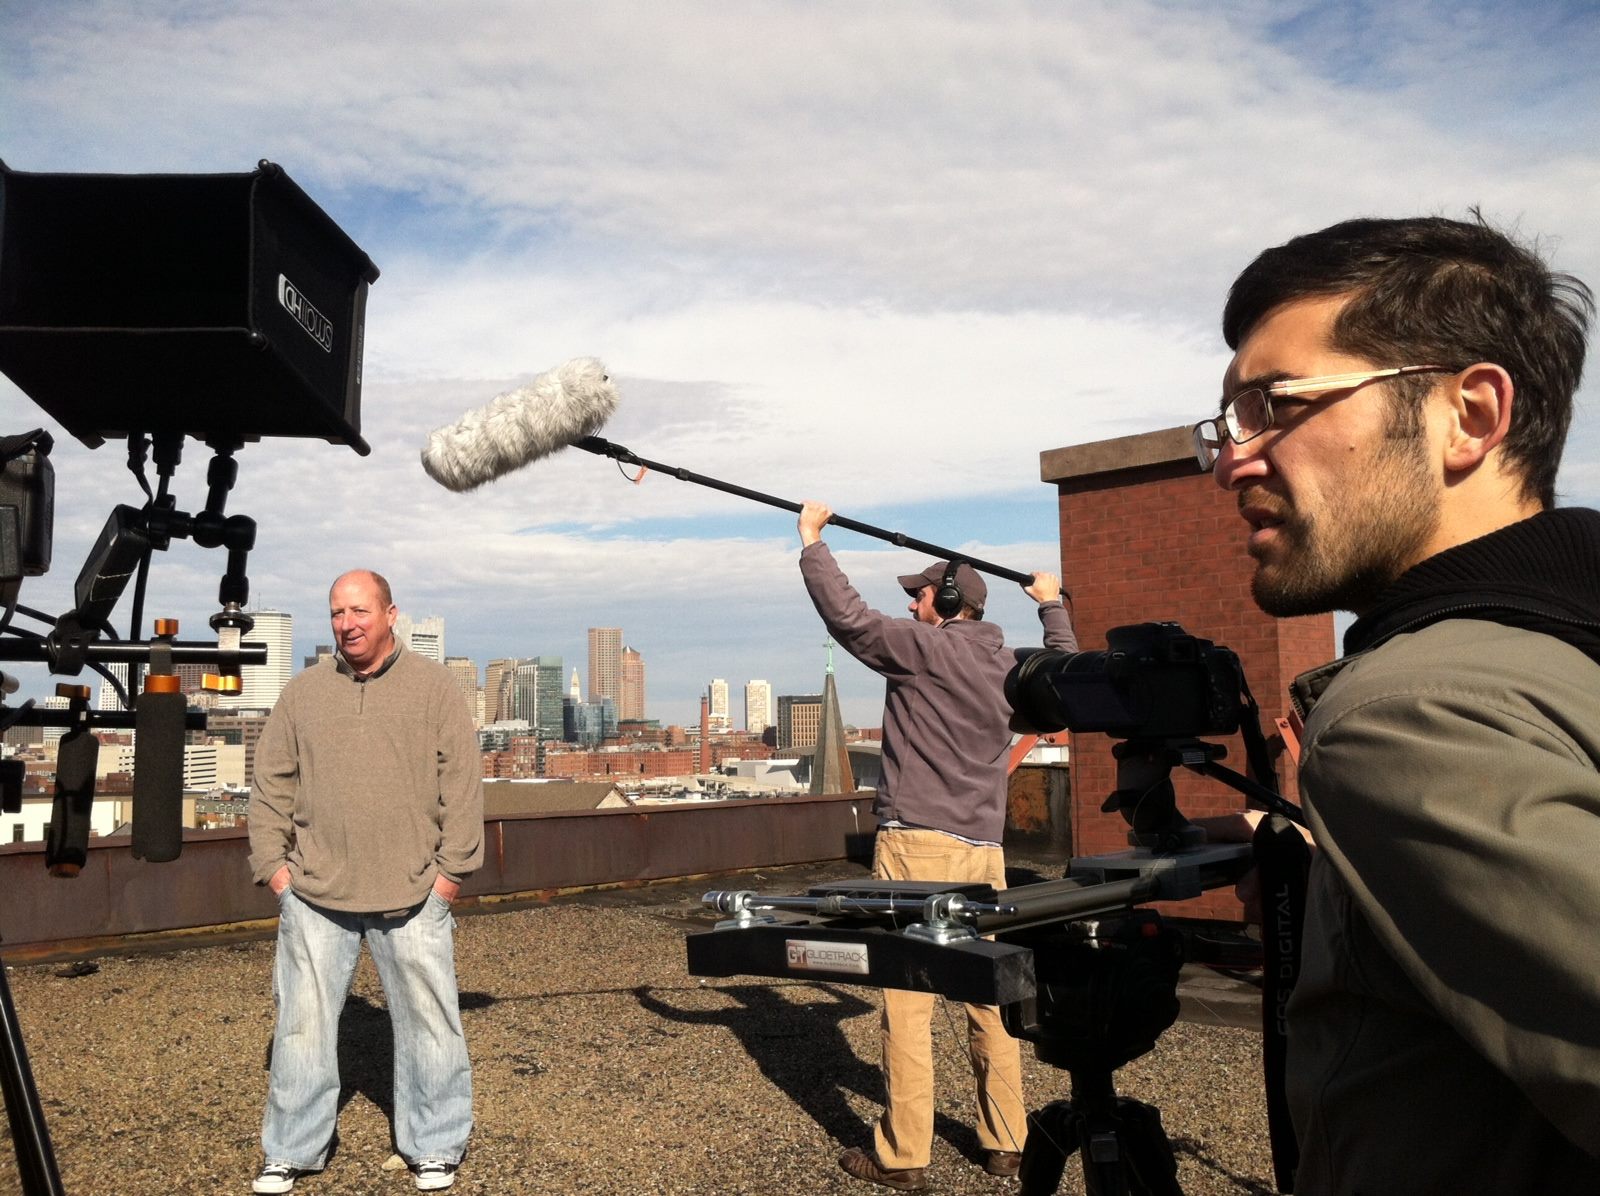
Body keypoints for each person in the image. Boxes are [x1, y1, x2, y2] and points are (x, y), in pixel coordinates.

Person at [1193, 215, 1600, 1192]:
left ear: (1470, 414)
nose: (1232, 461)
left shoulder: (1406, 711)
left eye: (1271, 406)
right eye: (1227, 424)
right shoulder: (1567, 645)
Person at [797, 501, 1078, 1192]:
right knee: (991, 997)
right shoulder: (1011, 667)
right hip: (983, 851)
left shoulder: (924, 650)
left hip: (916, 846)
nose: (913, 604)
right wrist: (1051, 605)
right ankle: (1007, 1143)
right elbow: (1069, 683)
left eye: (919, 595)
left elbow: (850, 620)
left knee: (908, 1000)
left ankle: (902, 1154)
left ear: (947, 602)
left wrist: (813, 542)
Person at [246, 570, 484, 1194]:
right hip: (314, 894)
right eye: (336, 613)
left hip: (414, 892)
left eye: (359, 611)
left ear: (390, 614)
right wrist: (276, 872)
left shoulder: (434, 688)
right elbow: (270, 784)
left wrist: (448, 879)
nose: (347, 624)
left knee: (431, 1025)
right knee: (300, 1028)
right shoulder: (302, 693)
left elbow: (462, 786)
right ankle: (291, 1150)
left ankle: (435, 1145)